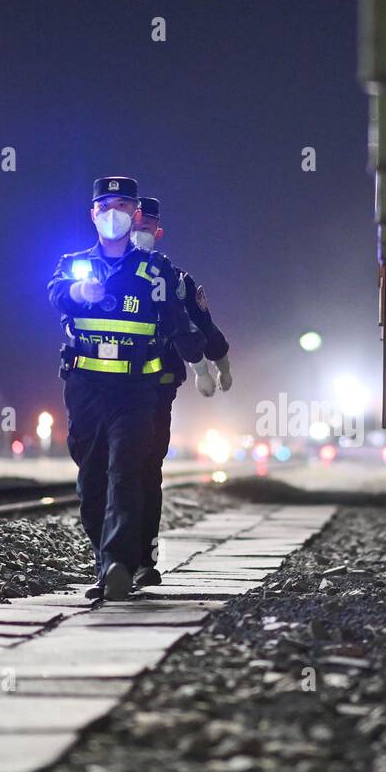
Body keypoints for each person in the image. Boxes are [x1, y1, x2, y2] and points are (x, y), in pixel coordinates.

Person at [47, 176, 204, 600]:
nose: (113, 213)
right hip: (85, 386)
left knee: (127, 472)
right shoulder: (73, 263)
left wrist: (202, 359)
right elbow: (56, 294)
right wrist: (80, 290)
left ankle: (116, 563)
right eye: (105, 205)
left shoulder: (156, 269)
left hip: (137, 387)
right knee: (92, 477)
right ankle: (109, 557)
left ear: (136, 215)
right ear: (92, 214)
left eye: (122, 205)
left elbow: (175, 317)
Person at [130, 196, 233, 587]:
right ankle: (114, 562)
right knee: (110, 473)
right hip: (109, 388)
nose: (139, 232)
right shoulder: (100, 270)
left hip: (156, 388)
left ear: (158, 232)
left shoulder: (175, 279)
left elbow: (204, 328)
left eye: (146, 226)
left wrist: (216, 365)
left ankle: (142, 561)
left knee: (144, 473)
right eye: (134, 222)